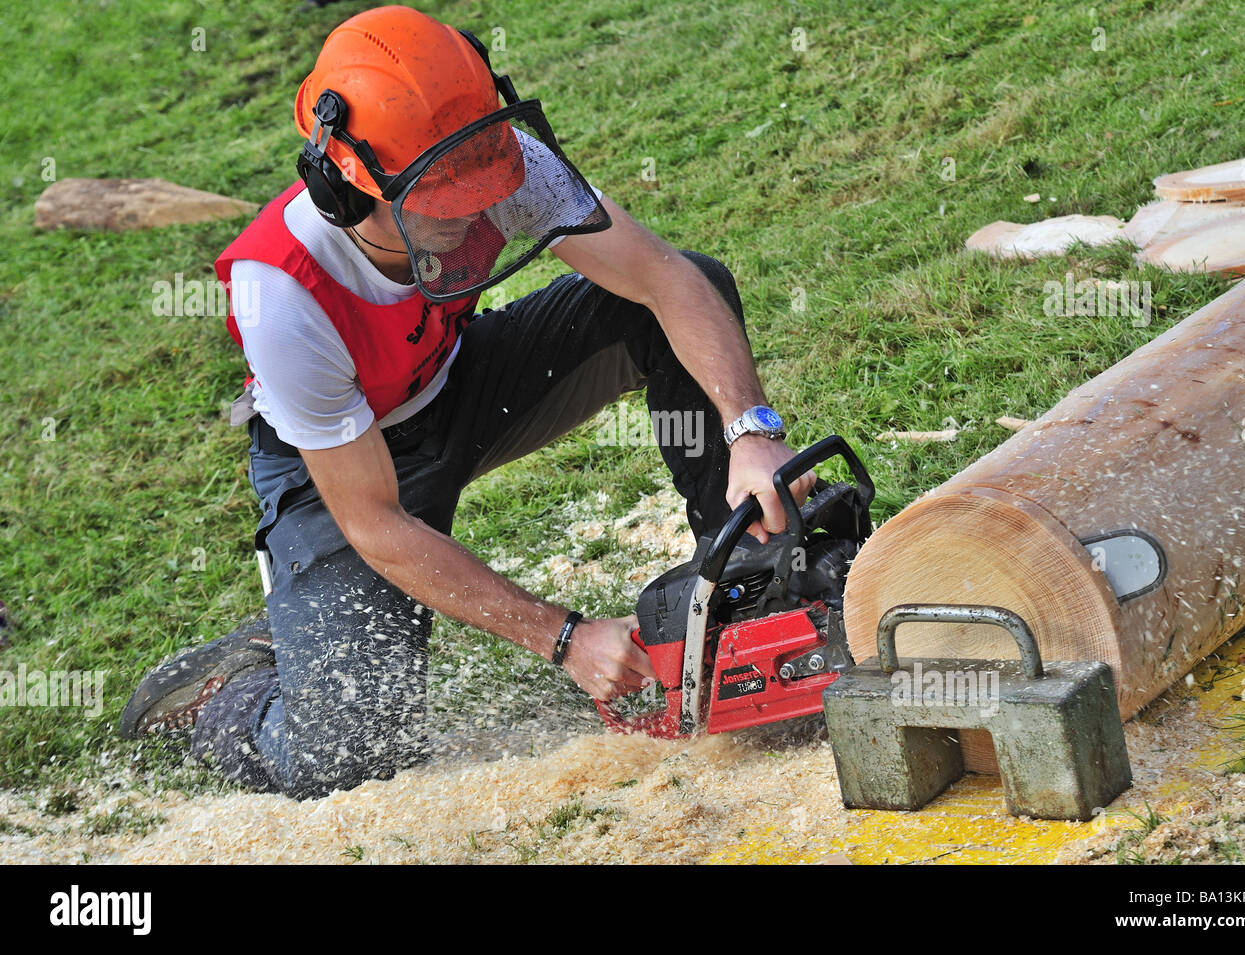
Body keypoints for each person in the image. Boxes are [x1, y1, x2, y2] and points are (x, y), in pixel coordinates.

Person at [121, 5, 813, 799]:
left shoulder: (482, 159)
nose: (468, 211)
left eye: (477, 184)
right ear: (346, 188)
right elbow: (376, 523)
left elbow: (664, 278)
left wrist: (751, 430)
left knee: (680, 293)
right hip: (343, 477)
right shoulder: (280, 294)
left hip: (458, 383)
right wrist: (567, 639)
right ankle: (231, 691)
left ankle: (736, 593)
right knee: (348, 752)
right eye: (437, 203)